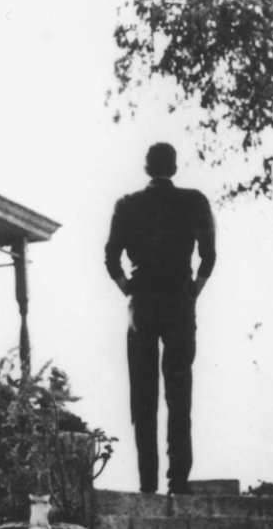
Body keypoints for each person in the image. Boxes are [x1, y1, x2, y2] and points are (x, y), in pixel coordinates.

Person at [104, 141, 215, 495]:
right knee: (179, 392)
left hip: (143, 303)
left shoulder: (127, 204)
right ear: (175, 167)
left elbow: (111, 257)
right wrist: (194, 288)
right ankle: (177, 480)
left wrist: (130, 291)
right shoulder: (194, 201)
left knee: (143, 394)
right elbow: (208, 255)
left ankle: (147, 484)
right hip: (179, 301)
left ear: (146, 167)